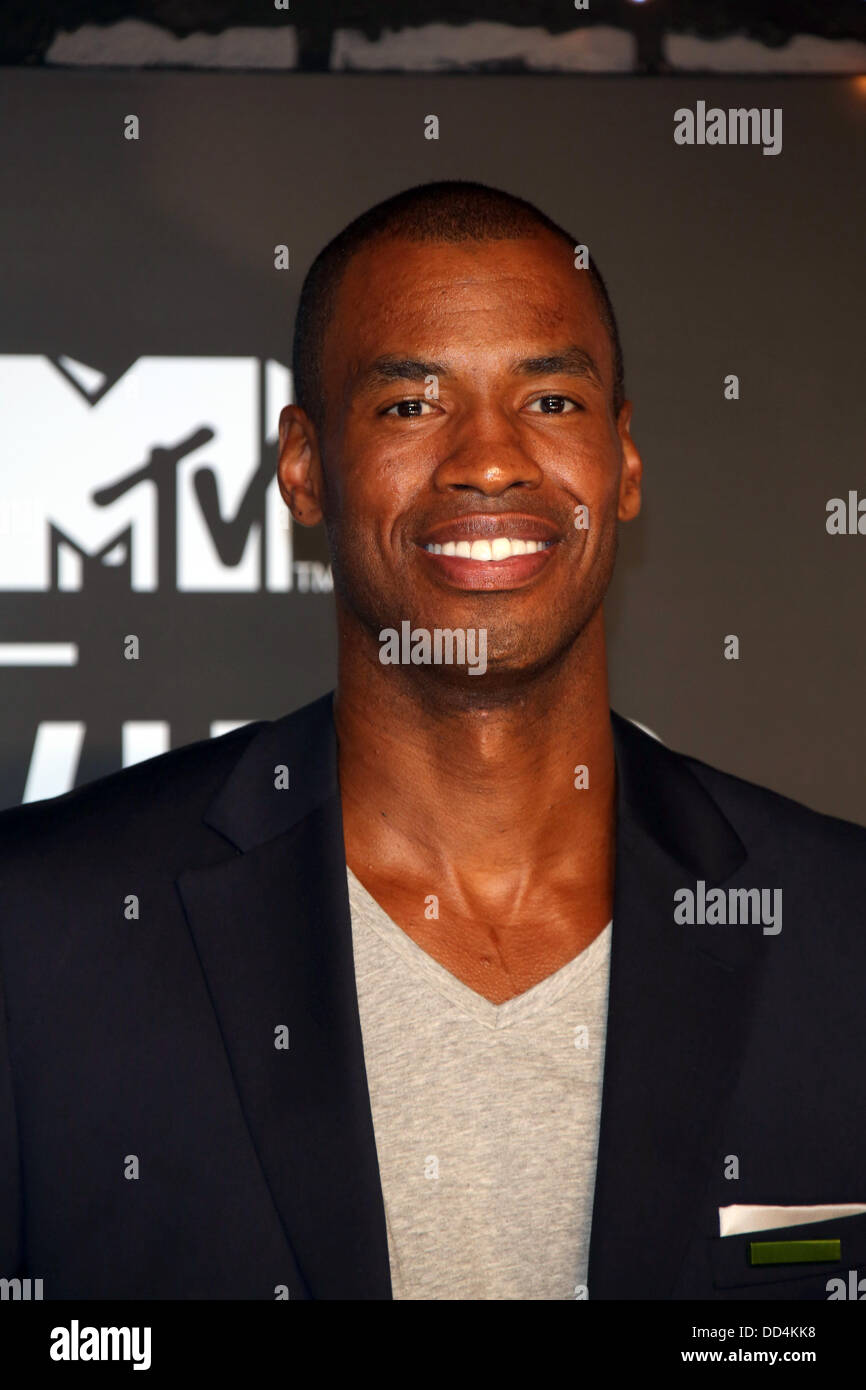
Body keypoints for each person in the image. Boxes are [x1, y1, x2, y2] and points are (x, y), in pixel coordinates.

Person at [1, 181, 865, 1302]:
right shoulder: (42, 937)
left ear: (625, 459)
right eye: (411, 406)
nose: (489, 460)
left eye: (549, 400)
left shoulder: (839, 934)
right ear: (304, 467)